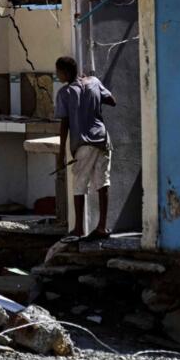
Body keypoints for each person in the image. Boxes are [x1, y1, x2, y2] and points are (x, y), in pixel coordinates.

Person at [54, 55, 117, 240]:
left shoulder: (64, 93)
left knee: (79, 185)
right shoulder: (94, 82)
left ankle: (79, 229)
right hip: (102, 139)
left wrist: (61, 153)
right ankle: (102, 227)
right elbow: (112, 101)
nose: (57, 75)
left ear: (66, 73)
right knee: (103, 182)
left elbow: (64, 124)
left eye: (58, 72)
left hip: (83, 144)